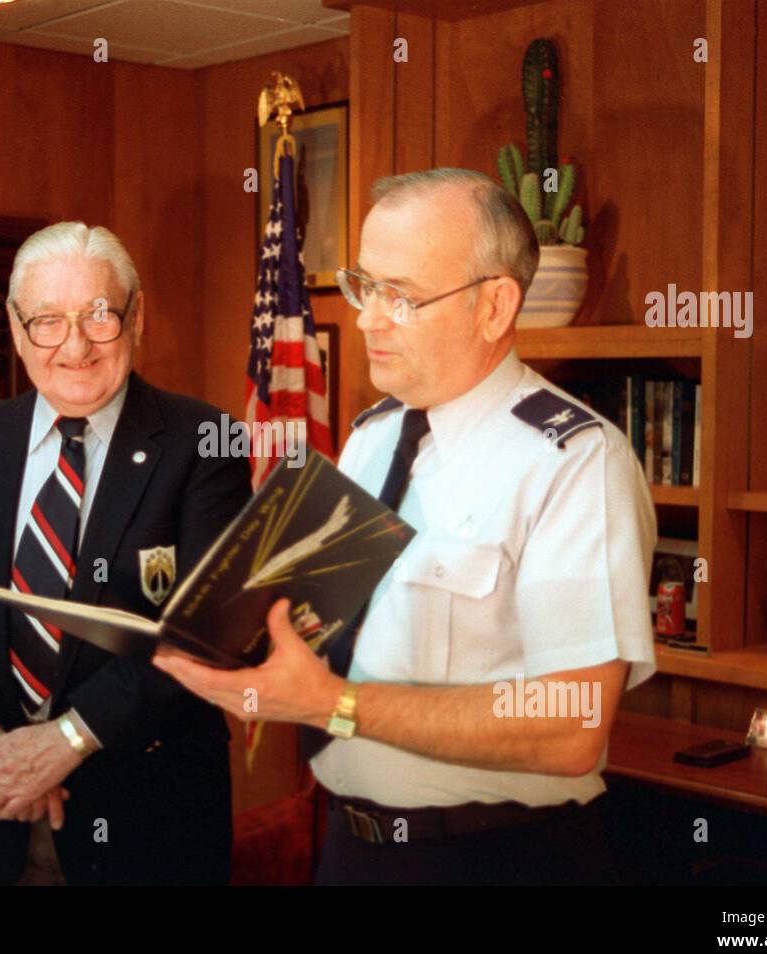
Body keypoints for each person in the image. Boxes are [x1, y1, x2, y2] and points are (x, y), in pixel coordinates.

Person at [155, 168, 658, 885]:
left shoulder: (576, 462)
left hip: (495, 859)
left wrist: (336, 705)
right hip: (353, 848)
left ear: (495, 305)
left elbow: (572, 725)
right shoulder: (371, 438)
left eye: (402, 296)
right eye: (366, 285)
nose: (366, 319)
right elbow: (321, 634)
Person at [0, 222, 250, 885]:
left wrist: (66, 740)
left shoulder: (205, 442)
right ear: (18, 330)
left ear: (137, 319)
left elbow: (202, 634)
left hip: (149, 830)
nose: (75, 346)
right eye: (48, 321)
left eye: (99, 316)